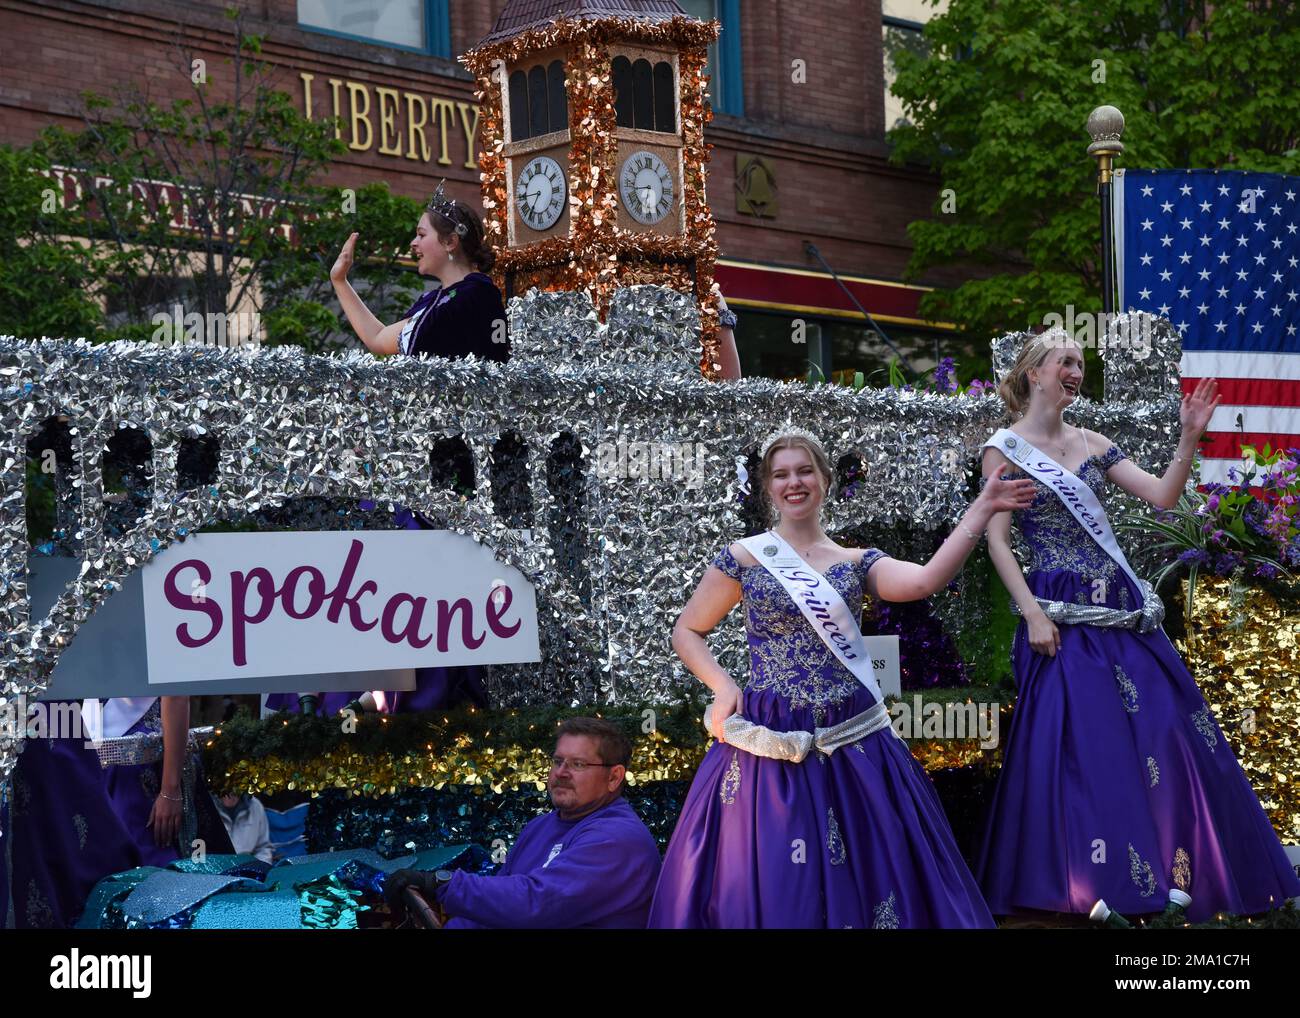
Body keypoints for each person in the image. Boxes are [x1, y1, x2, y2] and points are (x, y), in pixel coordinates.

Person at [647, 426, 1037, 928]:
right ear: (768, 487)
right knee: (769, 869)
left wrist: (982, 509)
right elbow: (688, 630)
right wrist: (724, 687)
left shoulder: (857, 562)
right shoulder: (745, 557)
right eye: (782, 474)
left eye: (805, 470)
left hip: (854, 735)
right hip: (770, 736)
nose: (794, 482)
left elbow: (924, 581)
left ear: (825, 480)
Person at [975, 330, 1300, 922]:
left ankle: (1181, 873)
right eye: (1063, 362)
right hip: (1058, 612)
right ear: (1033, 373)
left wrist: (1188, 438)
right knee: (1082, 743)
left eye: (1079, 362)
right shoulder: (1003, 450)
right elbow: (996, 542)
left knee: (1165, 729)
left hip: (1122, 610)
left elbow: (1162, 498)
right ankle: (1087, 885)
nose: (1074, 370)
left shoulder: (1093, 442)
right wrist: (1032, 612)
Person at [267, 185, 508, 718]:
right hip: (423, 461)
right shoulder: (433, 302)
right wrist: (340, 282)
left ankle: (439, 697)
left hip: (456, 466)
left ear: (451, 242)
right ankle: (396, 689)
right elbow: (378, 339)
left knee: (437, 571)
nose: (414, 243)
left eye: (422, 234)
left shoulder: (478, 297)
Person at [385, 717, 661, 928]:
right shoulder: (540, 827)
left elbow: (538, 904)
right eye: (558, 761)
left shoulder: (618, 840)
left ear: (614, 777)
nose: (562, 773)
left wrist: (443, 882)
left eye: (578, 765)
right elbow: (492, 914)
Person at [212, 791, 274, 864]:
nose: (229, 794)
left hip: (247, 869)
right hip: (215, 867)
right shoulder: (206, 805)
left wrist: (260, 868)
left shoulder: (255, 806)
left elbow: (263, 848)